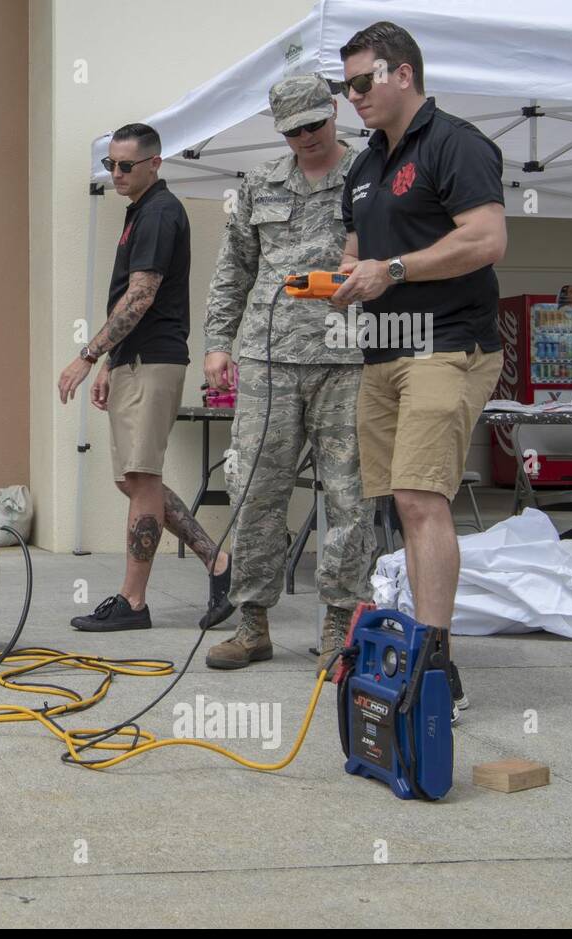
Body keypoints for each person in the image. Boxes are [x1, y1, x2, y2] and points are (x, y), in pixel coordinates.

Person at [331, 21, 508, 722]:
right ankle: (423, 650)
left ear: (403, 73)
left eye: (363, 81)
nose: (353, 97)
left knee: (421, 496)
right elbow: (355, 256)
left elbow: (489, 239)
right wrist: (332, 282)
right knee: (398, 504)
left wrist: (394, 269)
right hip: (383, 351)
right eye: (346, 86)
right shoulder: (365, 165)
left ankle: (436, 669)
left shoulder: (456, 143)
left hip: (448, 344)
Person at [202, 75, 377, 673]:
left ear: (334, 112)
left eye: (314, 124)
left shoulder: (371, 176)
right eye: (292, 130)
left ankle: (338, 631)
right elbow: (233, 269)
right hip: (269, 360)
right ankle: (252, 626)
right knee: (254, 492)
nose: (305, 137)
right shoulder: (258, 184)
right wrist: (217, 344)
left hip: (347, 360)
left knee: (350, 499)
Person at [58, 123, 233, 632]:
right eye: (111, 165)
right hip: (135, 361)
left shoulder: (159, 212)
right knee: (135, 481)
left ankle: (133, 602)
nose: (116, 173)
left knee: (142, 481)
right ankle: (219, 563)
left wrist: (88, 355)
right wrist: (113, 364)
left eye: (125, 165)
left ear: (155, 164)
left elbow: (141, 296)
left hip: (154, 361)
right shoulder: (140, 211)